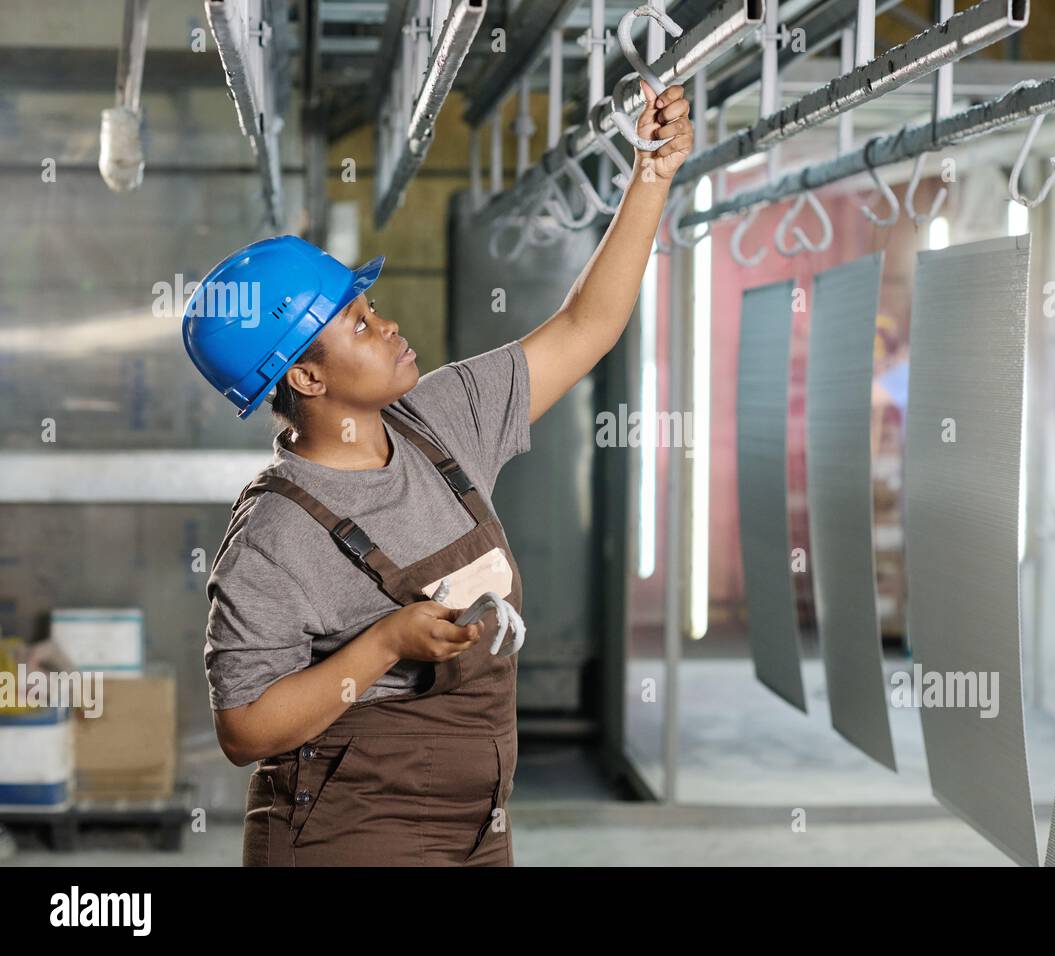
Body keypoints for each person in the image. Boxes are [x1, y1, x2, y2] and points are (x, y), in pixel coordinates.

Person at [182, 82, 693, 866]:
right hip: (348, 836)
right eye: (357, 322)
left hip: (476, 824)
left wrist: (650, 177)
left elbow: (586, 325)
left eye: (371, 304)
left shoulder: (440, 418)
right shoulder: (276, 536)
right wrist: (385, 643)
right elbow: (245, 730)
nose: (387, 324)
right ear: (308, 380)